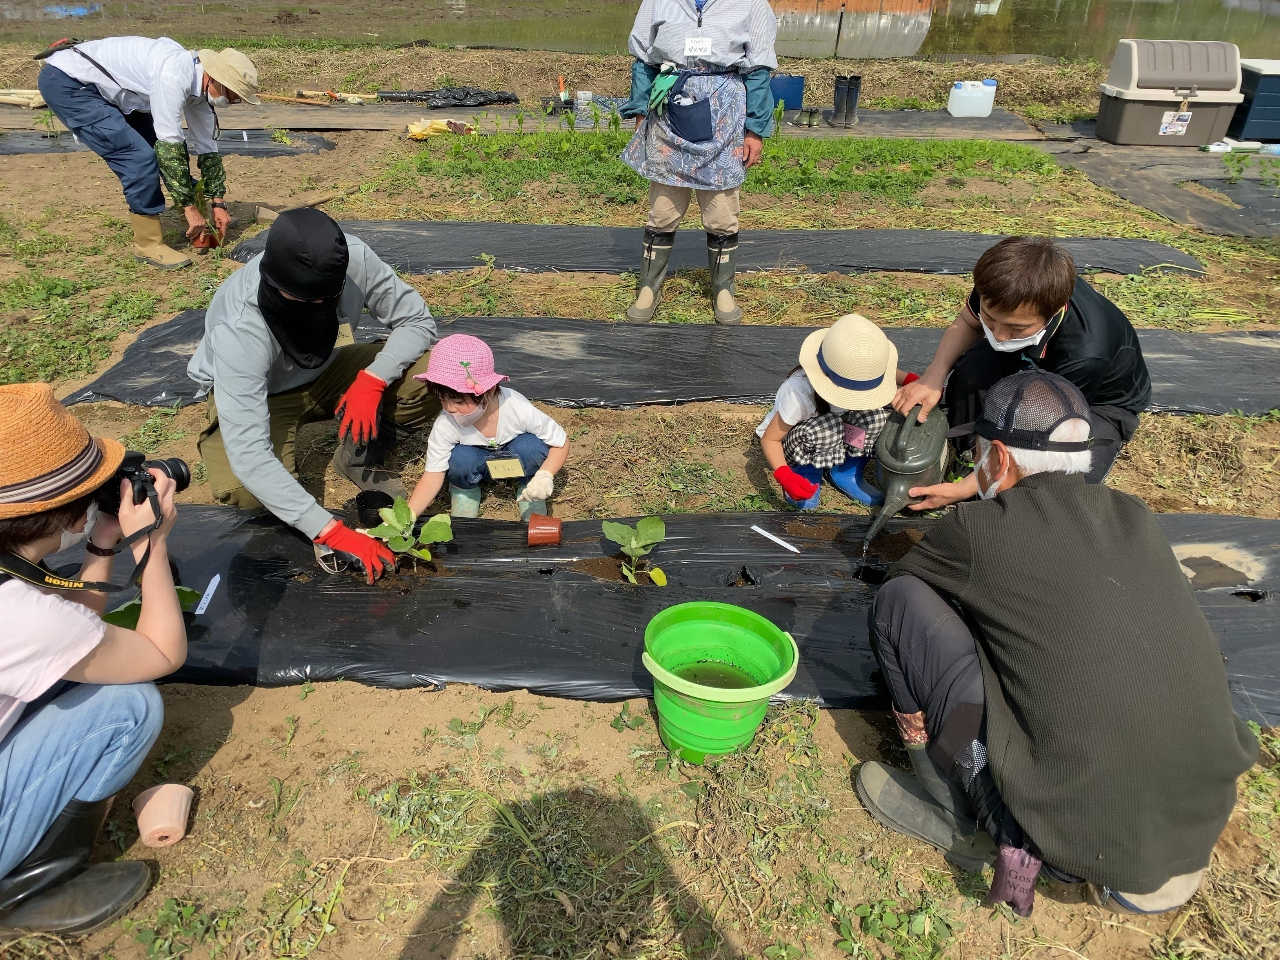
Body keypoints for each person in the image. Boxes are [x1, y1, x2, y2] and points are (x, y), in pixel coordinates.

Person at [857, 370, 1257, 917]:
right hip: (1193, 824)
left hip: (1076, 843)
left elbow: (908, 576)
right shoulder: (1134, 516)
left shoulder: (978, 529)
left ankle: (963, 815)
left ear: (996, 457)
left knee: (901, 603)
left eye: (976, 453)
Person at [0, 384, 186, 936]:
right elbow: (161, 653)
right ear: (65, 507)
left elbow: (70, 636)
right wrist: (151, 545)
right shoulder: (19, 614)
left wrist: (102, 543)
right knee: (126, 704)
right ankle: (21, 891)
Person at [187, 208, 439, 583]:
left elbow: (417, 321)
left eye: (326, 300)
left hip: (329, 370)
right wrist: (330, 531)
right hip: (266, 394)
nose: (316, 310)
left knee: (435, 375)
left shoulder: (353, 259)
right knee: (248, 491)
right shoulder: (240, 327)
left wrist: (373, 379)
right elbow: (250, 455)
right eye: (301, 302)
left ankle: (357, 456)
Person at [892, 236, 1151, 510]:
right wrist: (933, 377)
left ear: (1052, 313)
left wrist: (967, 487)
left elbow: (1050, 428)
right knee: (972, 368)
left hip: (1096, 404)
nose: (1000, 336)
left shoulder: (1087, 352)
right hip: (1033, 359)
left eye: (1016, 329)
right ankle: (970, 452)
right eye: (990, 319)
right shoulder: (1004, 287)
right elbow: (968, 322)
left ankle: (981, 476)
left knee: (1057, 488)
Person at [36, 37, 261, 269]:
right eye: (234, 94)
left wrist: (218, 203)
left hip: (117, 90)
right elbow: (169, 143)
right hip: (70, 84)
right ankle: (148, 245)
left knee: (168, 150)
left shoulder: (200, 87)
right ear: (214, 78)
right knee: (138, 157)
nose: (234, 101)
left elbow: (207, 148)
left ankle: (202, 217)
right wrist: (189, 208)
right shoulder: (173, 76)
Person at [619, 0, 778, 324]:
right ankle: (649, 287)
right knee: (662, 211)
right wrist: (639, 112)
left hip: (726, 120)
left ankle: (723, 291)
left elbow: (759, 71)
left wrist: (755, 129)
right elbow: (643, 60)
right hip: (669, 113)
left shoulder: (752, 5)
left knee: (721, 213)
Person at [757, 313, 918, 508]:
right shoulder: (799, 392)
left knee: (875, 417)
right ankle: (807, 470)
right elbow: (770, 439)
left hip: (837, 429)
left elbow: (888, 373)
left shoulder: (860, 372)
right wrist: (785, 475)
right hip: (798, 441)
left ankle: (845, 470)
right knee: (826, 427)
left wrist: (915, 382)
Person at [407, 335, 569, 521]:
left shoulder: (516, 407)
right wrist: (409, 516)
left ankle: (529, 486)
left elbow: (561, 443)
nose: (449, 407)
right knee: (458, 459)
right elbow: (432, 475)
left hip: (515, 454)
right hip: (476, 461)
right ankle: (465, 491)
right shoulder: (446, 423)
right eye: (442, 399)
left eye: (459, 401)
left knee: (530, 447)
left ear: (489, 390)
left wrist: (544, 476)